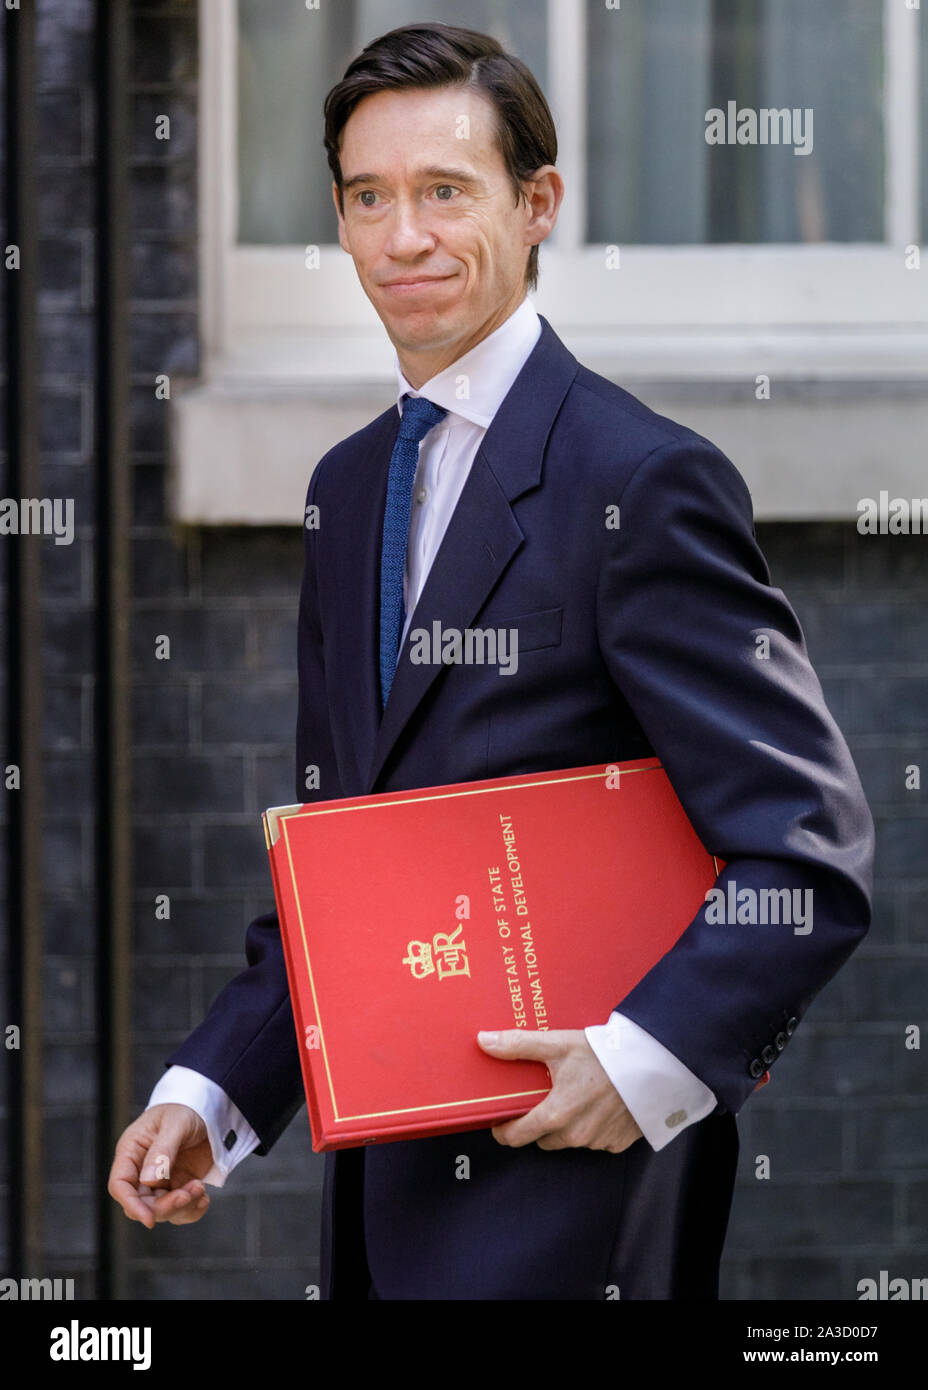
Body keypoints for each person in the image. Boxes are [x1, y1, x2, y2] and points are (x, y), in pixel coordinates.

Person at [108, 23, 874, 1300]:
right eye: (368, 197)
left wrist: (639, 1067)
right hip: (382, 1201)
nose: (402, 236)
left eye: (444, 192)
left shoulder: (641, 480)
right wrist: (213, 1091)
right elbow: (345, 853)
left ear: (537, 207)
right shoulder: (346, 494)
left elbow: (809, 847)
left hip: (580, 1196)